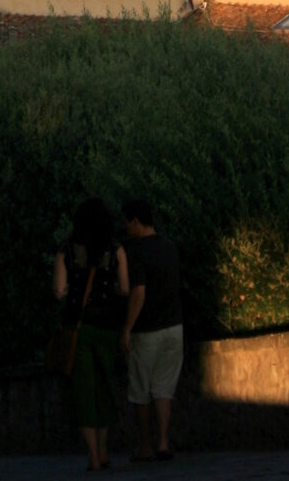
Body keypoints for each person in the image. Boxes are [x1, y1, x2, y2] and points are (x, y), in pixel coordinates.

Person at [53, 197, 129, 472]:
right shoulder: (116, 248)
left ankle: (93, 456)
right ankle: (105, 449)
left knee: (84, 390)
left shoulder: (67, 251)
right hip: (107, 326)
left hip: (80, 326)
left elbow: (59, 291)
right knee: (104, 386)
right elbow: (124, 288)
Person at [120, 199, 183, 462]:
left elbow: (138, 293)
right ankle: (164, 441)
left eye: (127, 222)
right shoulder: (169, 246)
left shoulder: (135, 252)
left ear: (135, 221)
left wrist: (127, 328)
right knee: (164, 388)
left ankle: (146, 445)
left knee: (142, 390)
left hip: (147, 330)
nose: (126, 228)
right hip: (173, 326)